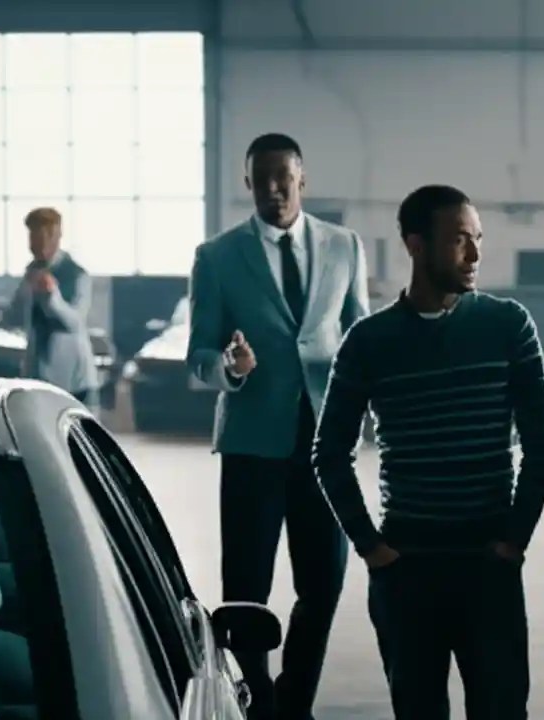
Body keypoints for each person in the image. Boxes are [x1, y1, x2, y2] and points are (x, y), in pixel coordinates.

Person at [313, 184, 544, 719]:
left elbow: (543, 442)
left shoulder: (507, 326)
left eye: (477, 240)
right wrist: (371, 548)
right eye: (458, 240)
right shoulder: (368, 341)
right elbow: (329, 453)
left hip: (488, 563)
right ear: (415, 244)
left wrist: (515, 539)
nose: (474, 255)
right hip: (407, 567)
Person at [185, 132, 369, 720]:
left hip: (325, 444)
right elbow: (198, 356)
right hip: (251, 446)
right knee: (246, 590)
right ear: (247, 184)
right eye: (260, 179)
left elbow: (361, 336)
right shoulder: (216, 257)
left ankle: (295, 701)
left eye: (282, 178)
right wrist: (229, 368)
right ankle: (256, 699)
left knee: (324, 586)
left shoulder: (345, 247)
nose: (272, 189)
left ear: (301, 178)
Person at [0, 207, 99, 410]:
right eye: (35, 235)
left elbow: (75, 322)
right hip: (39, 377)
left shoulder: (77, 275)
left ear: (57, 235)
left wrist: (52, 297)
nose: (40, 242)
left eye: (47, 235)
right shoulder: (31, 272)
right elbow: (16, 317)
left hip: (73, 380)